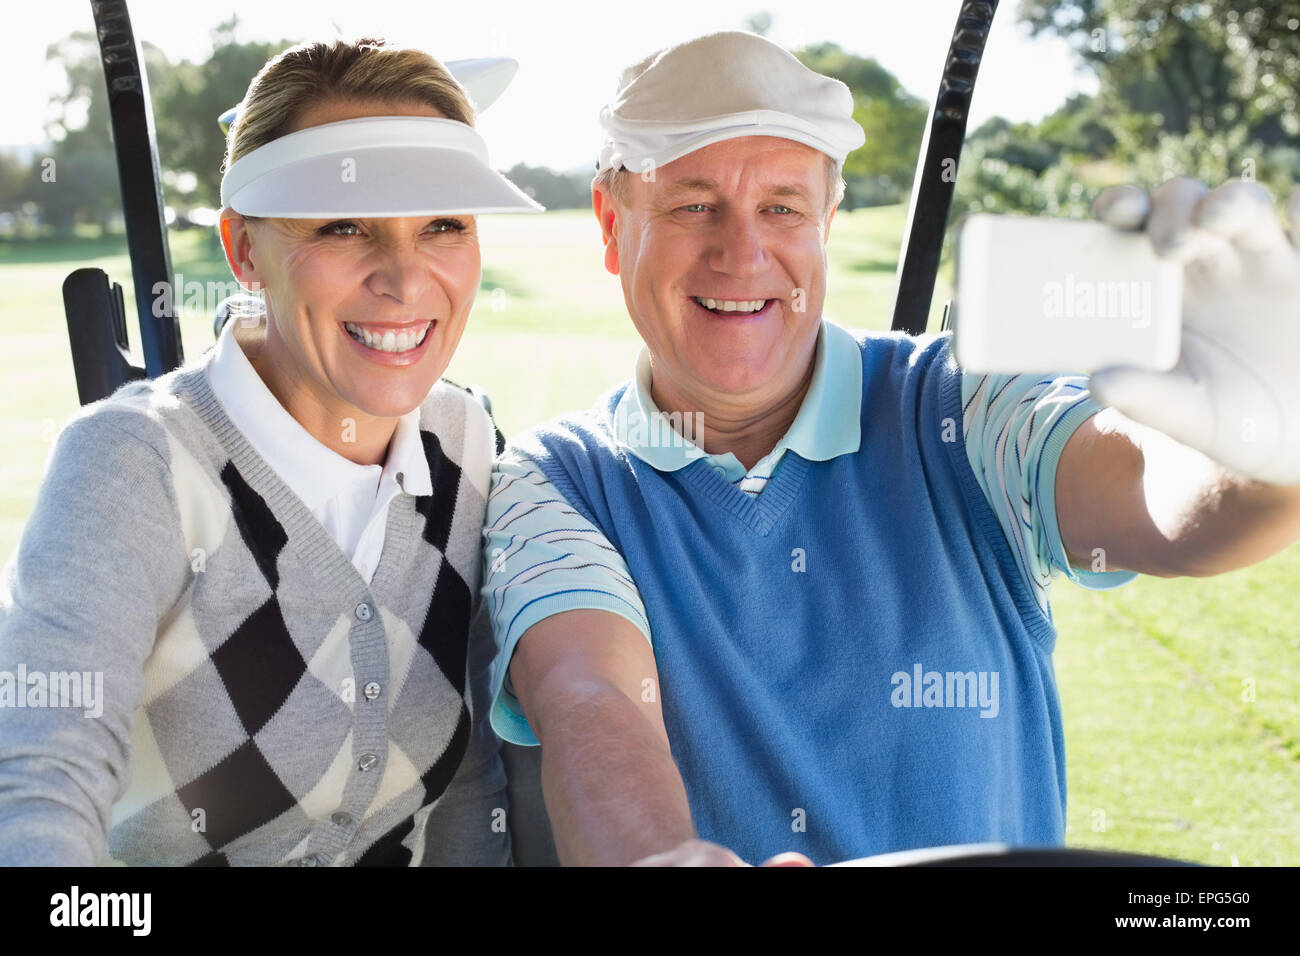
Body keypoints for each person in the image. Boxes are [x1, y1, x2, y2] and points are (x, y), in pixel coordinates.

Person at [481, 30, 1300, 866]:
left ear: (827, 222)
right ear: (613, 224)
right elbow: (590, 696)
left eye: (782, 208)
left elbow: (1142, 498)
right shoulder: (555, 480)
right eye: (693, 205)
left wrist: (1257, 462)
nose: (743, 252)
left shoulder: (961, 400)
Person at [0, 36, 542, 866]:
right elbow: (38, 786)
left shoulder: (465, 442)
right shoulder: (130, 465)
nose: (404, 277)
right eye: (344, 225)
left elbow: (470, 785)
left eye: (442, 224)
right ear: (245, 250)